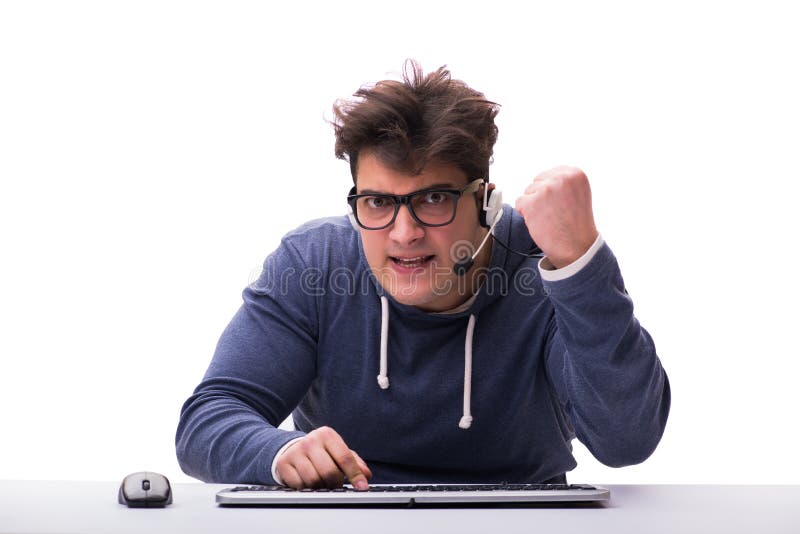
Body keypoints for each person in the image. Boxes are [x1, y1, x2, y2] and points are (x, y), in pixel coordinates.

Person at [175, 60, 671, 490]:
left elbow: (627, 440)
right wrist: (277, 454)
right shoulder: (313, 265)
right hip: (347, 518)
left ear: (485, 202)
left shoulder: (547, 264)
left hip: (525, 518)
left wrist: (581, 264)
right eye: (377, 203)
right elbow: (207, 420)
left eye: (433, 199)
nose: (403, 233)